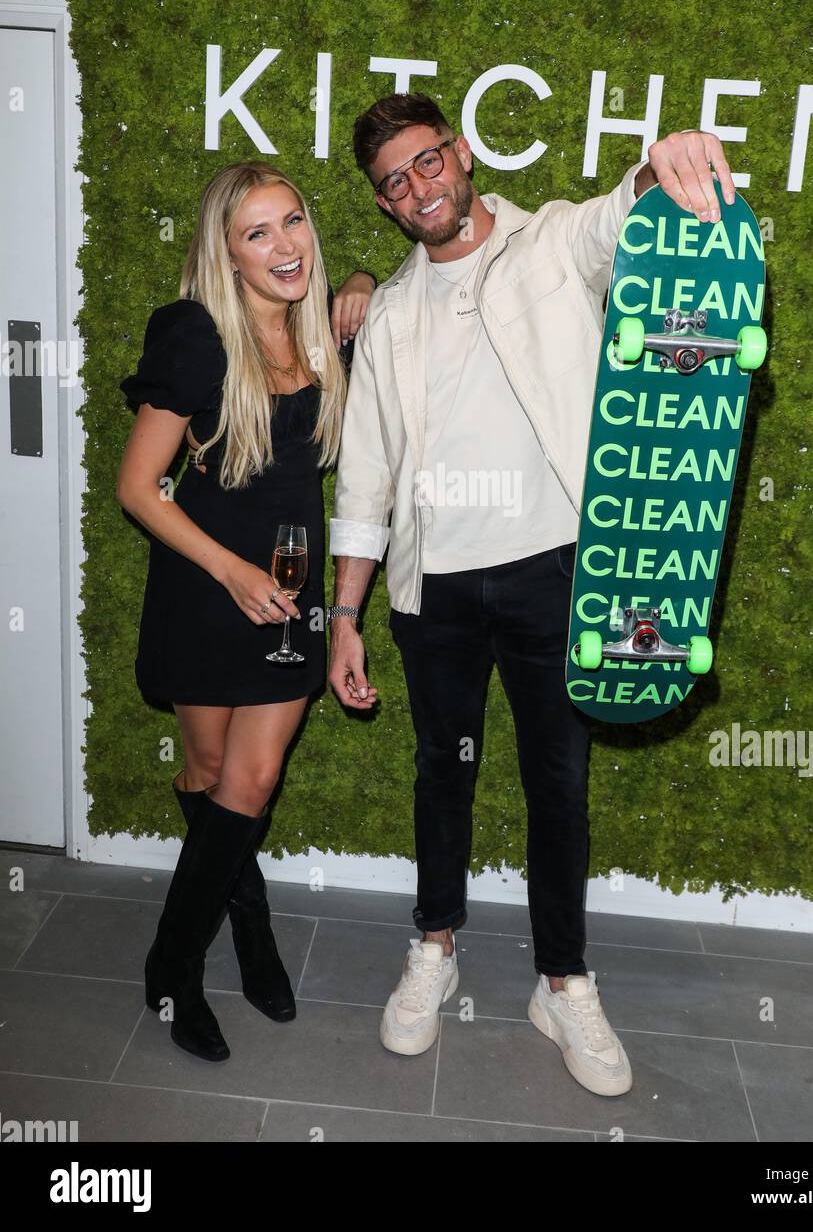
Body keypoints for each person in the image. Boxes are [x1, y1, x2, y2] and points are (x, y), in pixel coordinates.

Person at [327, 93, 735, 1096]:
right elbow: (367, 475)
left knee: (559, 783)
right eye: (395, 181)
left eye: (428, 161)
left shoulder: (552, 241)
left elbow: (622, 211)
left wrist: (663, 163)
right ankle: (435, 945)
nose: (419, 186)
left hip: (562, 568)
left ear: (461, 153)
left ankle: (562, 980)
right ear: (383, 203)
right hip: (436, 590)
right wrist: (343, 615)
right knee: (442, 774)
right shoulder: (387, 314)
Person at [116, 160, 376, 1061]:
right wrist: (229, 571)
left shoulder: (327, 339)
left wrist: (363, 280)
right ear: (225, 255)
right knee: (209, 768)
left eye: (293, 222)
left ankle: (172, 961)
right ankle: (239, 931)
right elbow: (139, 487)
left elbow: (402, 285)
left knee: (254, 782)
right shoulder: (195, 338)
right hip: (206, 586)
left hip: (292, 598)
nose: (283, 245)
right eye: (256, 233)